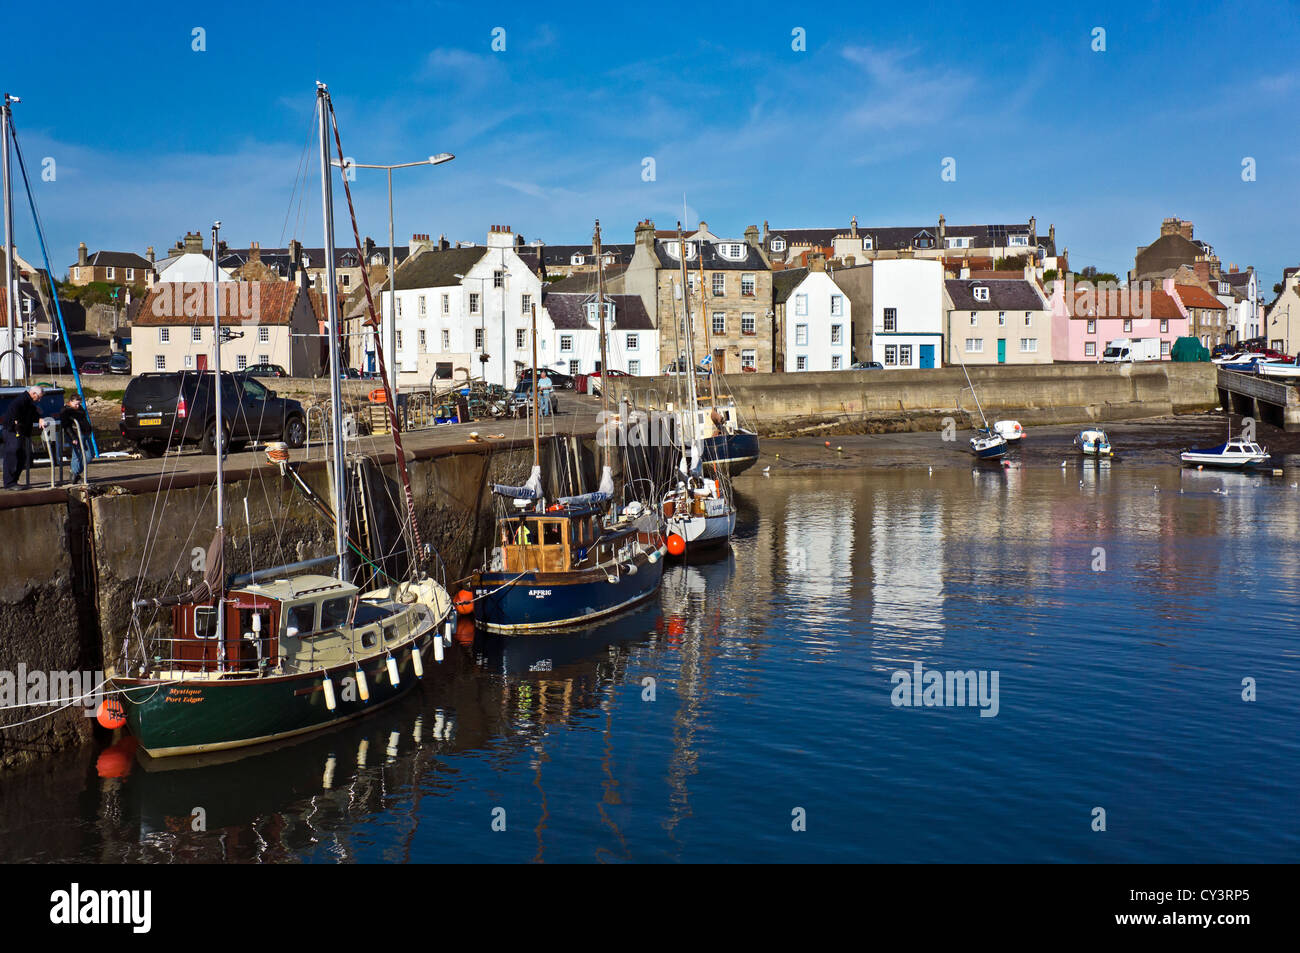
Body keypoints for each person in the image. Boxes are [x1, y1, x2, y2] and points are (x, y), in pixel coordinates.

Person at [1, 386, 47, 489]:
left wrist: (39, 418)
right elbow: (14, 411)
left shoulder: (29, 402)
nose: (39, 400)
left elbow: (32, 412)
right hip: (12, 431)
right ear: (34, 394)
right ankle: (9, 483)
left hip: (19, 431)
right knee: (13, 454)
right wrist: (16, 423)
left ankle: (13, 481)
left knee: (22, 457)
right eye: (39, 397)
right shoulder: (21, 400)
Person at [59, 394, 94, 483]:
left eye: (79, 404)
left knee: (90, 455)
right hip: (76, 435)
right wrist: (73, 437)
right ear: (70, 402)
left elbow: (84, 419)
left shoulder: (80, 408)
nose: (78, 406)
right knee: (77, 455)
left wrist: (89, 430)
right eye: (76, 404)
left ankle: (75, 472)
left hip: (85, 434)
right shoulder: (65, 410)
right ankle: (74, 474)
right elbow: (66, 426)